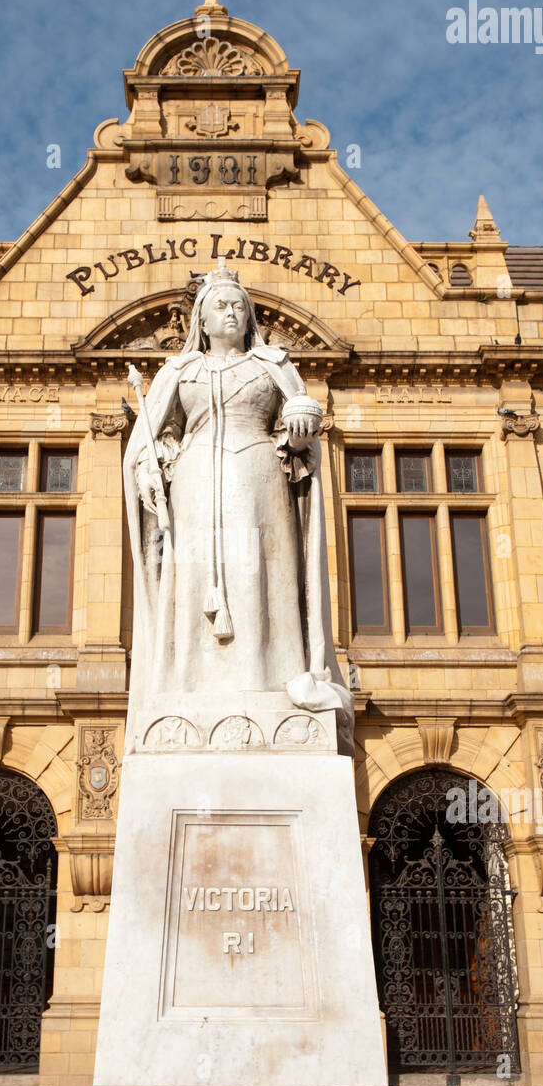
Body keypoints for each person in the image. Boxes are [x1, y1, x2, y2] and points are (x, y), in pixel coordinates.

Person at [122, 262, 353, 746]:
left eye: (238, 307)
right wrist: (149, 464)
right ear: (200, 322)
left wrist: (299, 433)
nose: (230, 313)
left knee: (266, 574)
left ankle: (275, 673)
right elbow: (153, 438)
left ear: (250, 318)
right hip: (196, 481)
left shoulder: (273, 365)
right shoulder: (179, 370)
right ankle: (190, 679)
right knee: (194, 577)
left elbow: (299, 427)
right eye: (219, 307)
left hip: (259, 477)